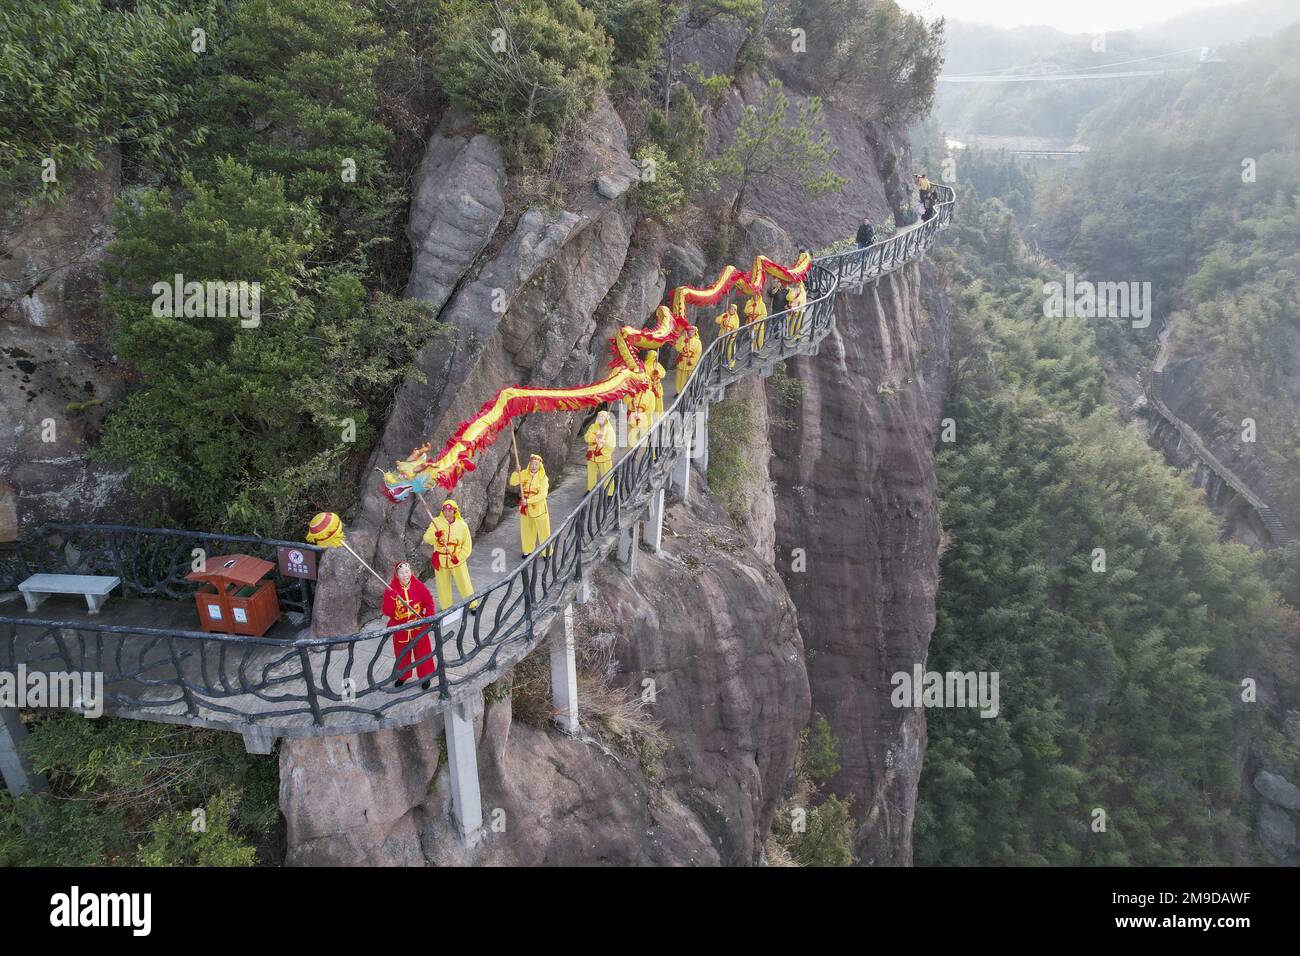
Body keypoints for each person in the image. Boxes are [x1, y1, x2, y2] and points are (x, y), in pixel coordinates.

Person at [382, 561, 436, 690]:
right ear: (397, 575)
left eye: (407, 571)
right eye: (401, 572)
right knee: (402, 655)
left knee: (423, 653)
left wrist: (428, 617)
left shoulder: (419, 586)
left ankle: (425, 676)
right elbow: (387, 611)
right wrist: (391, 599)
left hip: (418, 626)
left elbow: (429, 602)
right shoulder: (390, 590)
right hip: (401, 628)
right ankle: (403, 675)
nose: (405, 575)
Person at [423, 499, 479, 613]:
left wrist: (459, 557)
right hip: (440, 560)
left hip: (456, 559)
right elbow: (426, 538)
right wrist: (436, 536)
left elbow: (467, 545)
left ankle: (472, 604)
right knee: (442, 586)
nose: (447, 513)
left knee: (464, 583)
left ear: (455, 511)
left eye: (450, 510)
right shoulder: (436, 522)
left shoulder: (462, 525)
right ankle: (446, 609)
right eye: (445, 510)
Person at [509, 453, 551, 559]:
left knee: (544, 531)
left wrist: (528, 501)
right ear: (529, 464)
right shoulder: (524, 474)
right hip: (525, 509)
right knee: (526, 530)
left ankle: (547, 552)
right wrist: (516, 471)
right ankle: (527, 550)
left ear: (540, 466)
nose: (533, 466)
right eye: (532, 464)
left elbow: (543, 495)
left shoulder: (543, 478)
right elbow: (512, 482)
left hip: (539, 509)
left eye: (536, 464)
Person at [585, 409, 616, 494]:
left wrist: (601, 450)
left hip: (603, 456)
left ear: (606, 418)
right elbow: (587, 437)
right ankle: (590, 490)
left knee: (607, 475)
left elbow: (611, 444)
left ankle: (610, 493)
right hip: (592, 455)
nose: (600, 417)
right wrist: (596, 438)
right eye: (599, 416)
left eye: (603, 416)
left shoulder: (609, 430)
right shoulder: (593, 427)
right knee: (591, 474)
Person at [674, 326, 701, 394]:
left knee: (692, 377)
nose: (691, 333)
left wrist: (692, 361)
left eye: (692, 331)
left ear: (695, 332)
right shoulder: (682, 339)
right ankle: (679, 392)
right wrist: (683, 342)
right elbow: (677, 348)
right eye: (690, 331)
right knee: (680, 378)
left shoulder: (697, 342)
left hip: (691, 362)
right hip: (682, 361)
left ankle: (692, 390)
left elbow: (698, 353)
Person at [715, 303, 740, 369]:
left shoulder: (736, 319)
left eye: (733, 309)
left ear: (735, 310)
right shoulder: (725, 315)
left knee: (730, 351)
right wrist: (723, 317)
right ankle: (719, 365)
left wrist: (732, 336)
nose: (731, 310)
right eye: (730, 308)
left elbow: (736, 328)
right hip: (722, 335)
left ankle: (730, 365)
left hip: (730, 338)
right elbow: (717, 321)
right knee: (720, 350)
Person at [644, 349, 666, 419]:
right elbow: (644, 376)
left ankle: (660, 415)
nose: (655, 358)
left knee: (659, 401)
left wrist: (658, 373)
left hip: (657, 385)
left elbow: (663, 373)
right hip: (650, 386)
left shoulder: (657, 365)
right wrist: (651, 378)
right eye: (654, 357)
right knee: (651, 402)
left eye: (656, 357)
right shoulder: (645, 365)